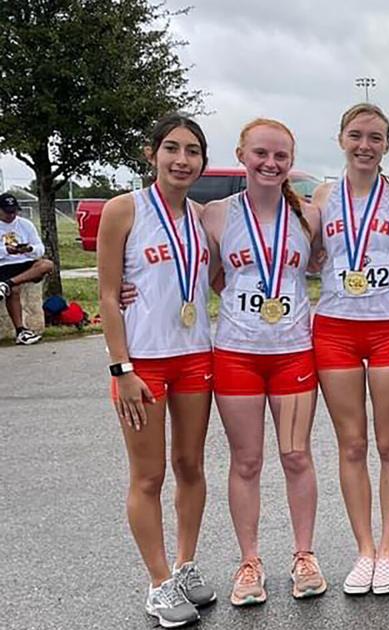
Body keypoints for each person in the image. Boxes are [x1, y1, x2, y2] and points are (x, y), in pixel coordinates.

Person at [97, 114, 215, 627]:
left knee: (191, 467)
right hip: (142, 364)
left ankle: (186, 567)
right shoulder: (124, 209)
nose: (182, 159)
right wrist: (121, 367)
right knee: (148, 475)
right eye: (172, 148)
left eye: (192, 151)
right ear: (152, 154)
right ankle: (158, 581)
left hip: (196, 357)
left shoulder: (203, 217)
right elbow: (106, 293)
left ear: (202, 162)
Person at [205, 118, 326, 603]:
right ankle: (249, 562)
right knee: (247, 460)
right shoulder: (215, 214)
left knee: (296, 455)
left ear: (291, 161)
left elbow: (322, 263)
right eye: (261, 153)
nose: (270, 163)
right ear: (241, 154)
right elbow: (206, 272)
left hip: (294, 351)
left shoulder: (309, 217)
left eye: (280, 155)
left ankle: (304, 555)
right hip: (237, 352)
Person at [309, 103, 389, 596]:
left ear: (388, 144)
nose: (365, 145)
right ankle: (364, 549)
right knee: (352, 444)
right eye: (356, 135)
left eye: (375, 137)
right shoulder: (322, 198)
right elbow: (294, 257)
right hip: (334, 328)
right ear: (341, 139)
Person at [0, 192, 54, 344]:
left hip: (23, 263)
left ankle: (7, 284)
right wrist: (6, 251)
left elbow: (40, 249)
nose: (11, 215)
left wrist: (29, 249)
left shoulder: (25, 224)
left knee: (47, 264)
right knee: (14, 291)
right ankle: (20, 331)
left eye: (14, 211)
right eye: (7, 212)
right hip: (3, 264)